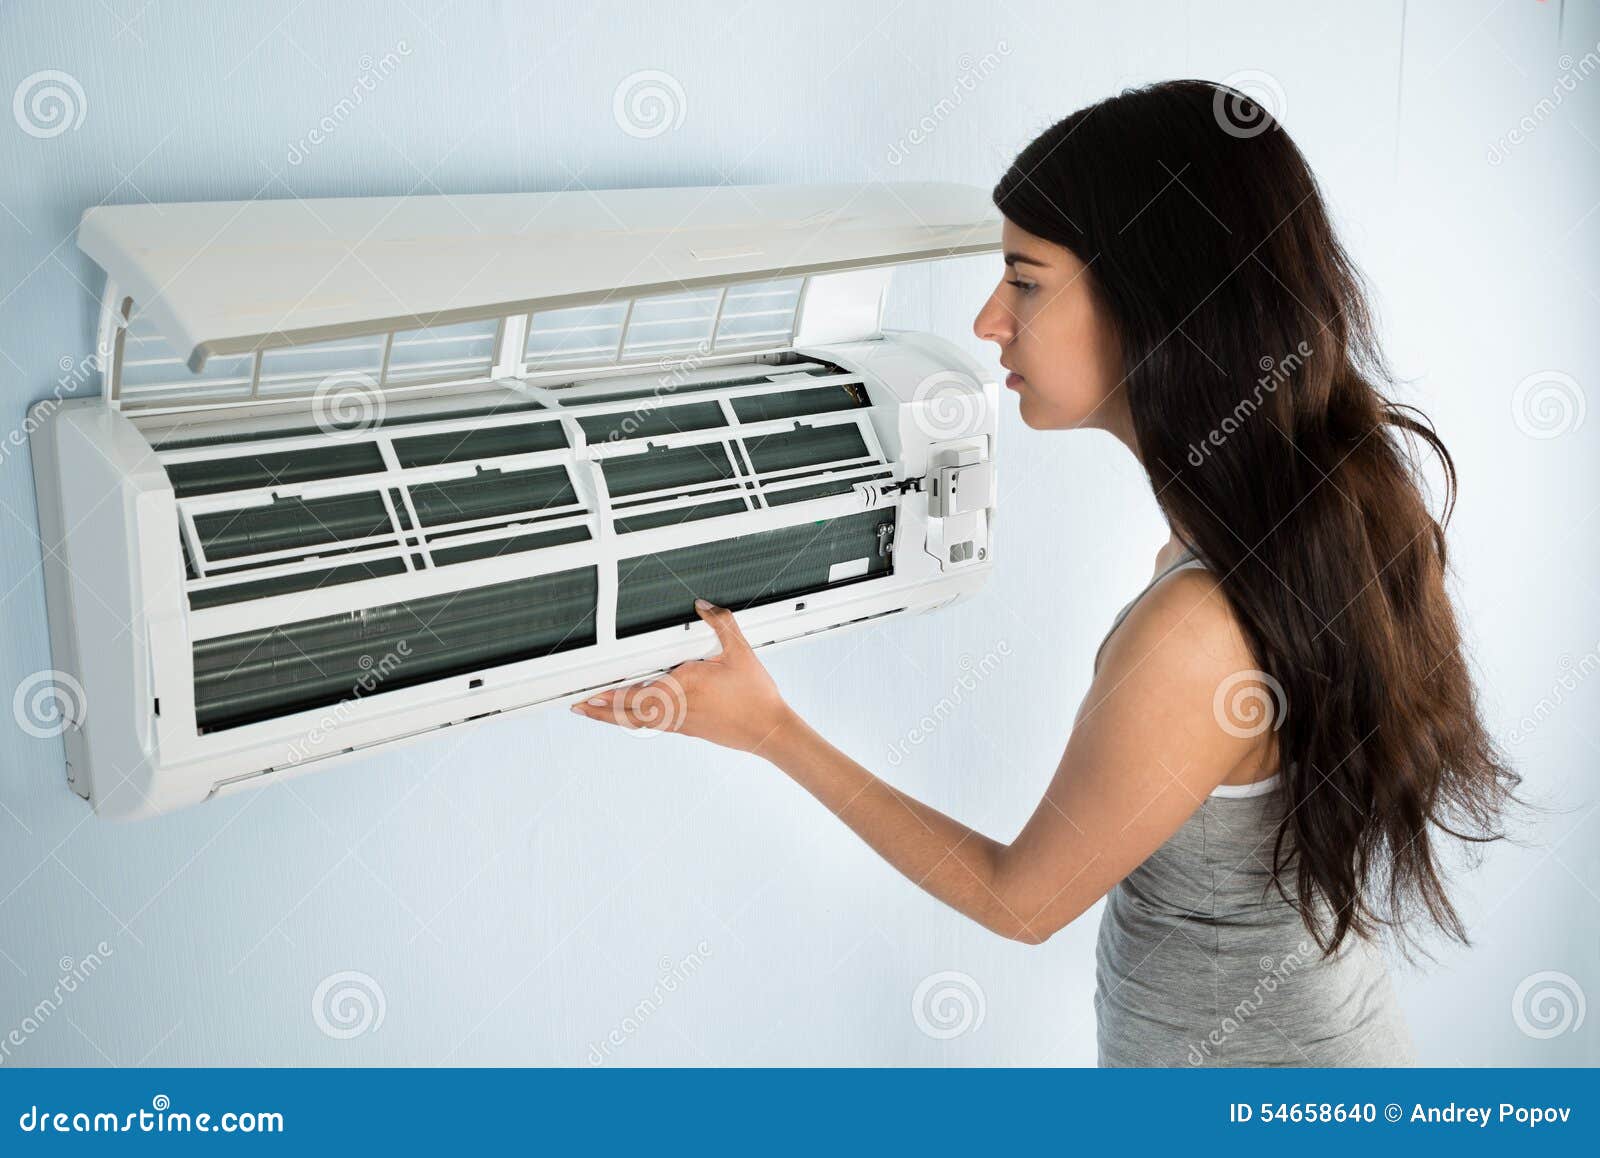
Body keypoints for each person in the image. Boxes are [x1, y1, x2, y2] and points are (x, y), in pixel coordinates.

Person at [572, 79, 1521, 1066]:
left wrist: (770, 730)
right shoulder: (1314, 512)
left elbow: (1017, 901)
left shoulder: (1195, 635)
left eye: (1024, 280)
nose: (988, 321)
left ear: (1157, 301)